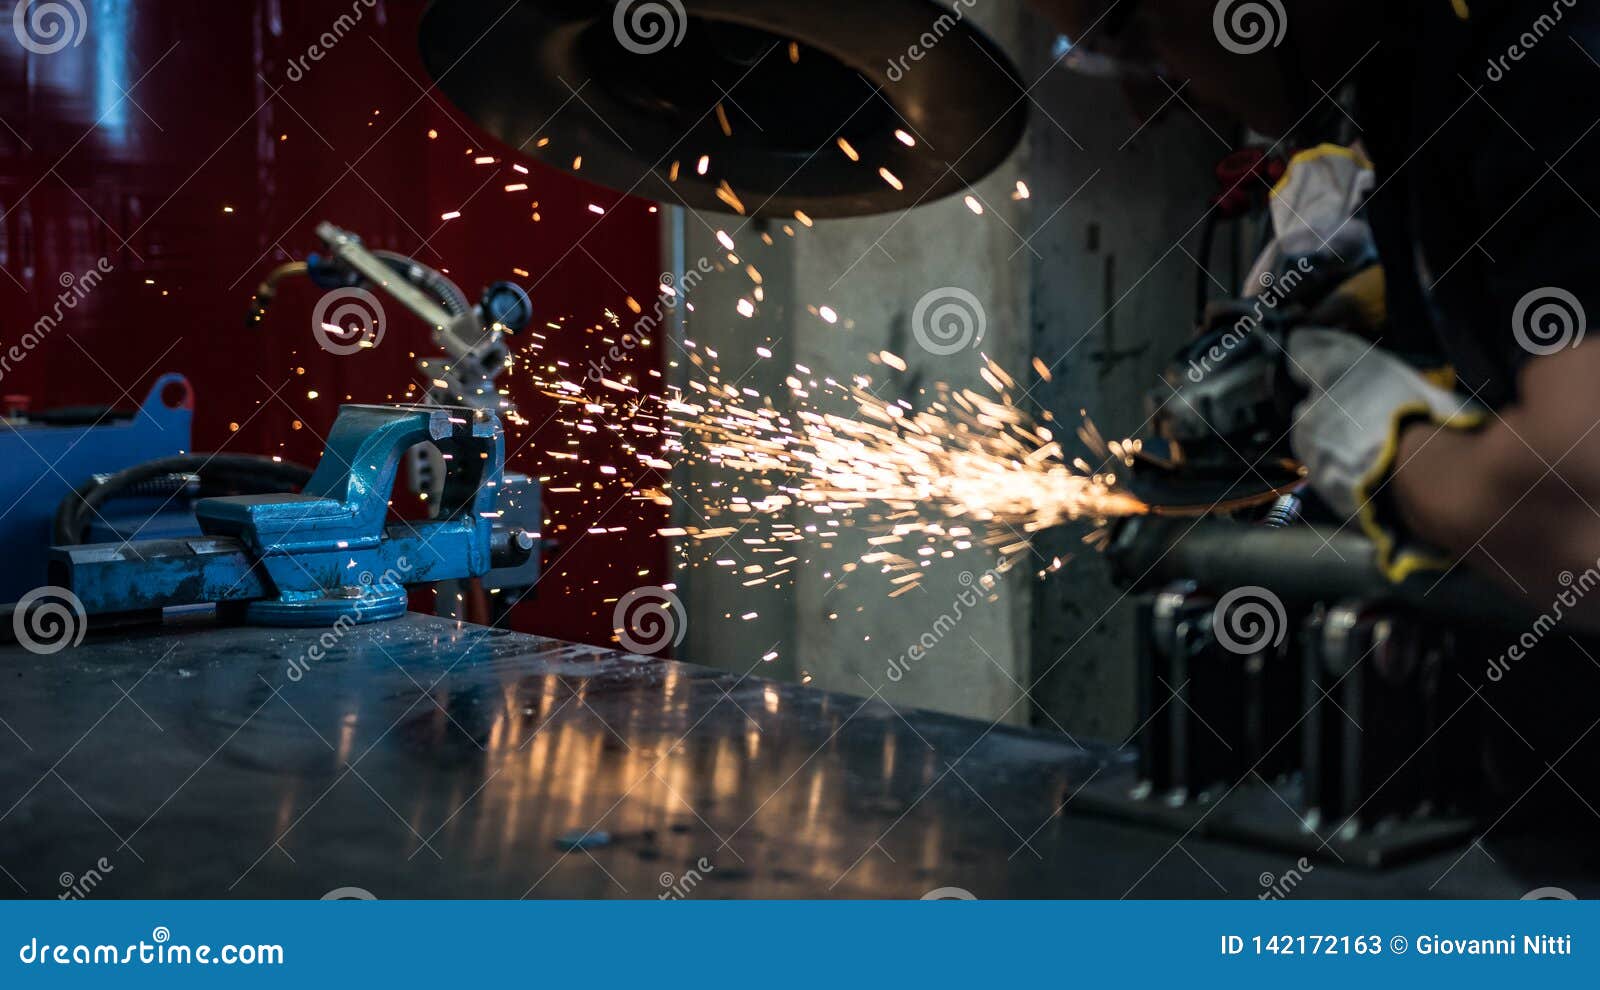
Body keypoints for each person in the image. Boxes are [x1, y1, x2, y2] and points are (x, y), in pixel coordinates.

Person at [1034, 0, 1600, 823]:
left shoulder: (1544, 71)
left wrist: (1391, 447)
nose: (1143, 103)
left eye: (1130, 32)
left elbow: (1578, 502)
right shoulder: (1421, 85)